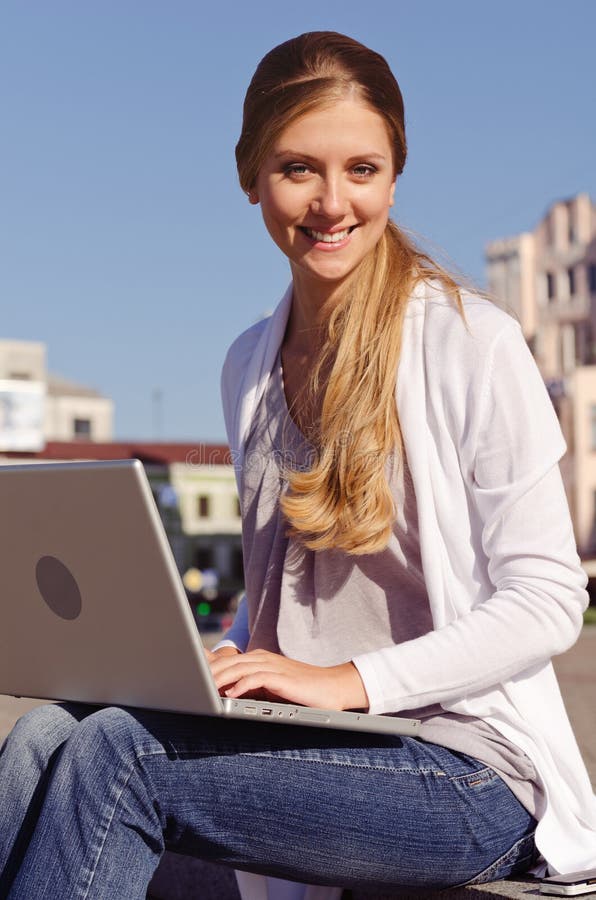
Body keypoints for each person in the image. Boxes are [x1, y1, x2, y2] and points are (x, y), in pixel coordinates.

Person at [1, 30, 595, 900]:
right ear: (251, 178)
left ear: (395, 175)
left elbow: (549, 601)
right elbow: (288, 607)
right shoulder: (250, 363)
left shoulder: (471, 343)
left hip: (468, 769)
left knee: (116, 759)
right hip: (315, 740)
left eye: (362, 168)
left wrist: (349, 684)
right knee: (45, 734)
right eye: (297, 169)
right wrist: (222, 655)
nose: (331, 202)